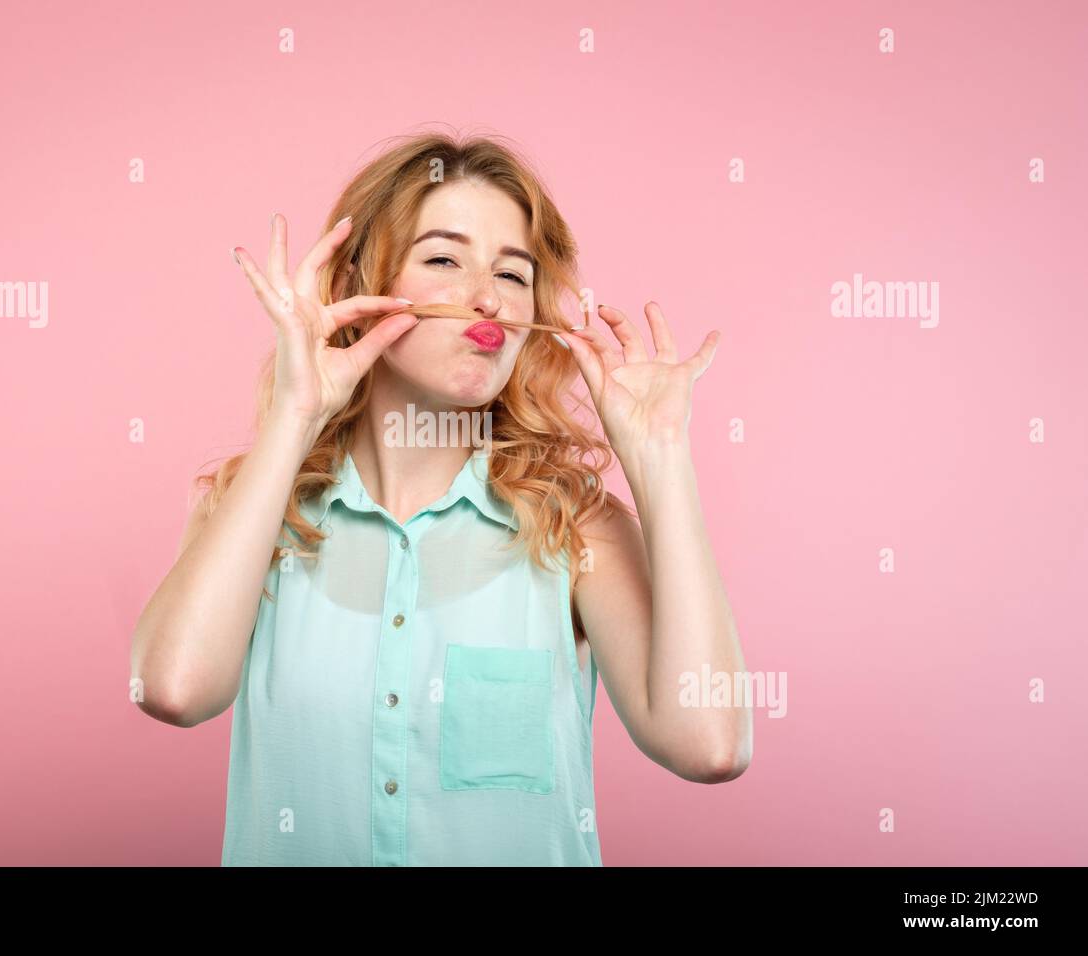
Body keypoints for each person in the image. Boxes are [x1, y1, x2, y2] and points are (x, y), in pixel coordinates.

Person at [130, 130, 749, 866]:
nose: (486, 296)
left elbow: (708, 744)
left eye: (513, 274)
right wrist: (297, 418)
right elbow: (172, 689)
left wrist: (661, 460)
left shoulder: (575, 528)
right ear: (360, 285)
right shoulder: (258, 509)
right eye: (444, 260)